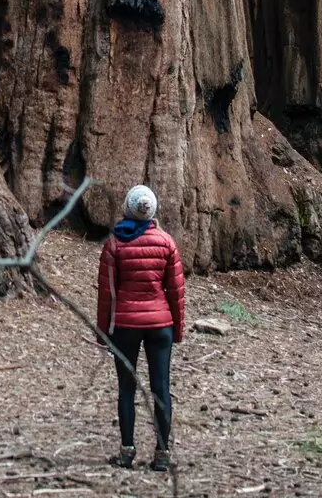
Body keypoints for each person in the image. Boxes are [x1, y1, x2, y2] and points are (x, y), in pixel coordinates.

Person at [95, 184, 185, 472]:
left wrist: (102, 331)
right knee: (161, 388)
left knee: (126, 390)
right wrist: (178, 330)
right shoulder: (167, 242)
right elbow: (175, 291)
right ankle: (161, 453)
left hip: (125, 325)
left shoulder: (114, 244)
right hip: (161, 326)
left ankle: (126, 451)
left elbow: (106, 292)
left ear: (127, 207)